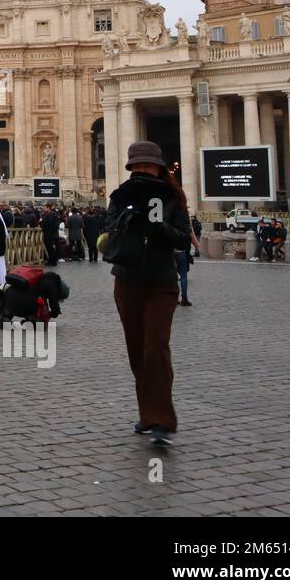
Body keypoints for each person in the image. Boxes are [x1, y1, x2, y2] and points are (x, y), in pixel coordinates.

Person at [105, 141, 191, 448]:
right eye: (137, 166)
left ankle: (161, 421)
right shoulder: (120, 196)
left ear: (158, 168)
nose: (142, 170)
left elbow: (183, 239)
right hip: (127, 280)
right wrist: (128, 221)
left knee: (156, 347)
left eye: (147, 165)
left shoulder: (173, 197)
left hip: (160, 281)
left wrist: (158, 227)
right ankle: (148, 414)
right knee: (137, 350)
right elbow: (108, 230)